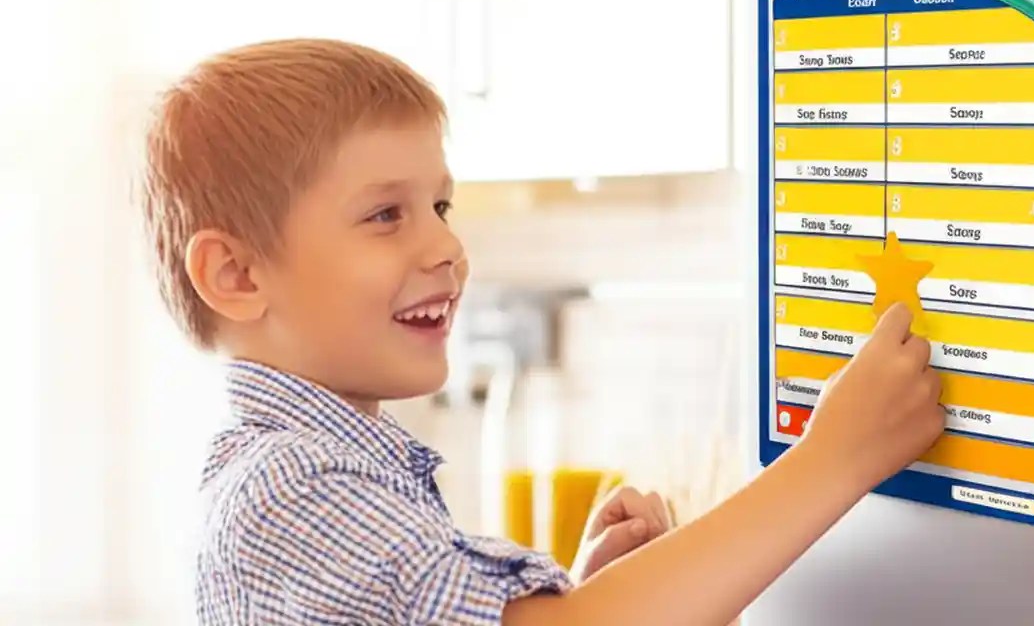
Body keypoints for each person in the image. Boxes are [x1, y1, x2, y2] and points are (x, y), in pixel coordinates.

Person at [139, 38, 944, 625]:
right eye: (385, 214)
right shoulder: (293, 487)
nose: (446, 246)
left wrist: (591, 598)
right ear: (236, 275)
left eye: (440, 206)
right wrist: (835, 458)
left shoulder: (330, 471)